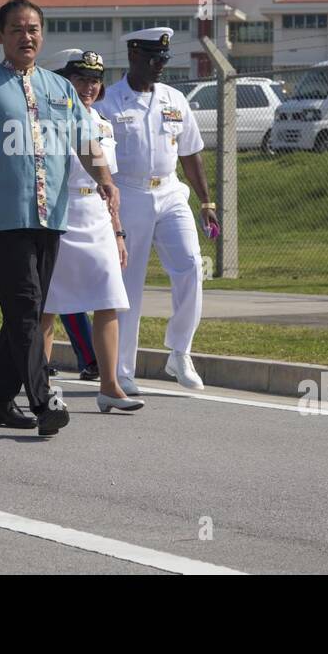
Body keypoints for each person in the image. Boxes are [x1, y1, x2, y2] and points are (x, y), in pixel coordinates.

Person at [0, 0, 119, 438]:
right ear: (0, 36)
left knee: (23, 310)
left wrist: (105, 180)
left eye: (33, 29)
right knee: (27, 306)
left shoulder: (61, 88)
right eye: (16, 29)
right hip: (1, 219)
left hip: (50, 216)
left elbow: (85, 141)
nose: (26, 36)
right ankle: (42, 397)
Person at [101, 27, 218, 393]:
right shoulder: (109, 102)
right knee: (128, 283)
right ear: (134, 56)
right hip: (128, 194)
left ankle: (179, 351)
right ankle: (122, 371)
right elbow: (96, 158)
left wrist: (206, 201)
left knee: (190, 265)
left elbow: (190, 152)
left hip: (169, 192)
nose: (160, 67)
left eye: (164, 60)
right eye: (154, 60)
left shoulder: (173, 98)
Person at [39, 49, 143, 413]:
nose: (88, 86)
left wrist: (118, 233)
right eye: (80, 78)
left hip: (97, 215)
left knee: (108, 299)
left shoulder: (102, 122)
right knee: (47, 307)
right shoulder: (47, 122)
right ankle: (42, 387)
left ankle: (110, 386)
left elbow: (108, 182)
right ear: (62, 82)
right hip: (59, 213)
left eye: (94, 80)